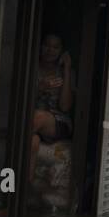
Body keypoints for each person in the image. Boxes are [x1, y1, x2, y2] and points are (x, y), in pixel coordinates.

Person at [30, 33, 73, 163]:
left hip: (59, 123)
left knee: (38, 116)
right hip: (33, 119)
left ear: (61, 50)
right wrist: (40, 88)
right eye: (47, 45)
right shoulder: (32, 68)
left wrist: (67, 69)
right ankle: (27, 182)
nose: (50, 50)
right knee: (33, 142)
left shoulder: (65, 73)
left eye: (55, 47)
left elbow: (65, 106)